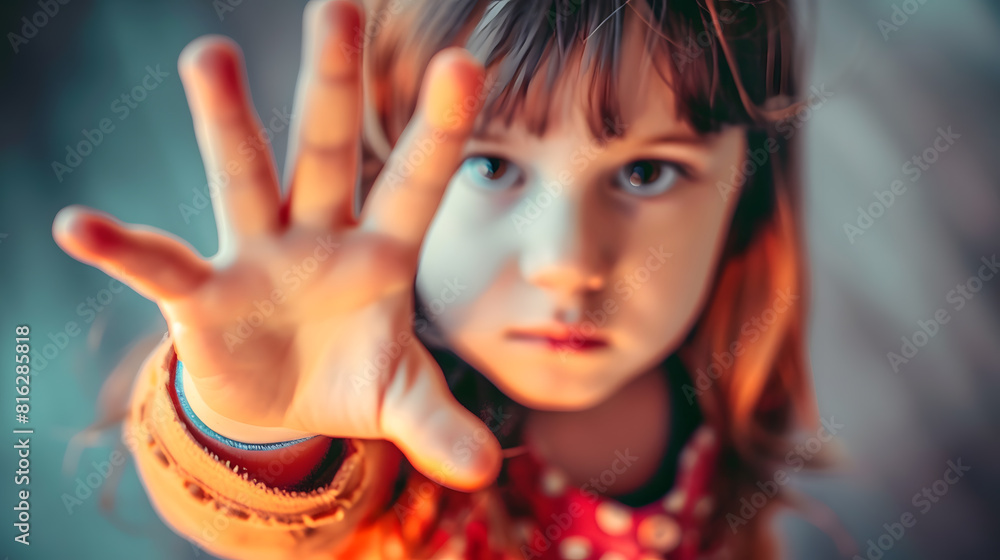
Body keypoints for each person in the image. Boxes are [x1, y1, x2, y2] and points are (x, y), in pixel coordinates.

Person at [52, 0, 822, 558]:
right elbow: (277, 520)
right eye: (489, 165)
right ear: (383, 169)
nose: (567, 261)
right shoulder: (374, 431)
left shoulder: (720, 387)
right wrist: (260, 432)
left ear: (747, 190)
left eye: (649, 172)